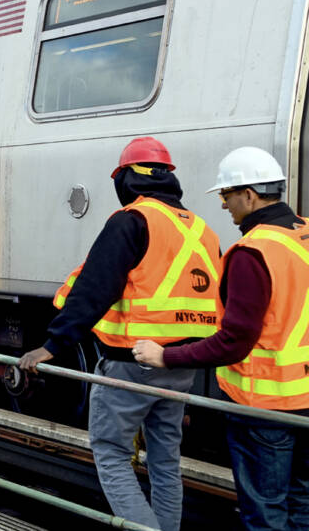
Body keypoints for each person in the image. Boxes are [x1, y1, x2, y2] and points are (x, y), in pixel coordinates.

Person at [19, 136, 220, 531]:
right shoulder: (201, 229)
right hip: (181, 365)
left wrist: (52, 346)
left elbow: (94, 289)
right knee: (165, 460)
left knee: (110, 452)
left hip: (133, 365)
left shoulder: (131, 220)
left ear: (127, 178)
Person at [133, 146, 309, 530]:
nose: (225, 206)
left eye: (227, 196)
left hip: (266, 407)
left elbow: (234, 342)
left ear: (249, 195)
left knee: (265, 514)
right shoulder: (305, 235)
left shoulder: (254, 252)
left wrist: (166, 357)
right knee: (303, 505)